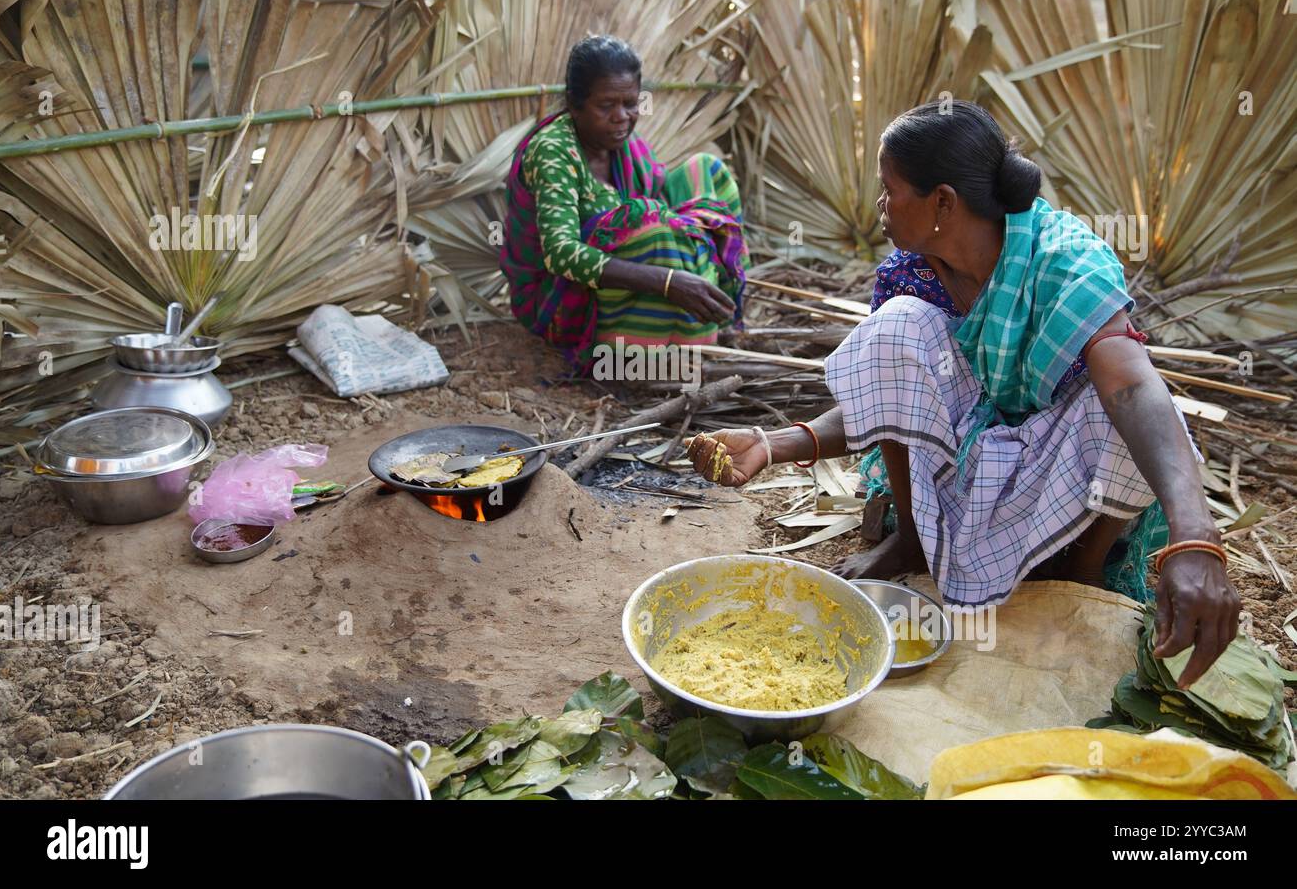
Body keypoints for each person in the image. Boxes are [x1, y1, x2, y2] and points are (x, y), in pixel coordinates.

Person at [687, 100, 1239, 689]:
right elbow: (889, 396)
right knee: (895, 327)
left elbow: (1131, 386)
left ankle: (1082, 568)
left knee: (1126, 410)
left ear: (943, 203)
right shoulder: (912, 273)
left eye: (888, 188)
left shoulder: (1064, 261)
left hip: (1057, 473)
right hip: (962, 464)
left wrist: (1197, 540)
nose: (879, 203)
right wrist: (772, 445)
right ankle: (915, 541)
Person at [501, 35, 748, 373]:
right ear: (574, 105)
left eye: (630, 104)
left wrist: (683, 248)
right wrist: (668, 281)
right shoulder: (553, 151)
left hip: (631, 277)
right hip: (562, 298)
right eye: (606, 106)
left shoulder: (625, 146)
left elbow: (659, 197)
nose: (622, 117)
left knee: (708, 172)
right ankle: (650, 356)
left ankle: (704, 311)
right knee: (652, 233)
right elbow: (559, 254)